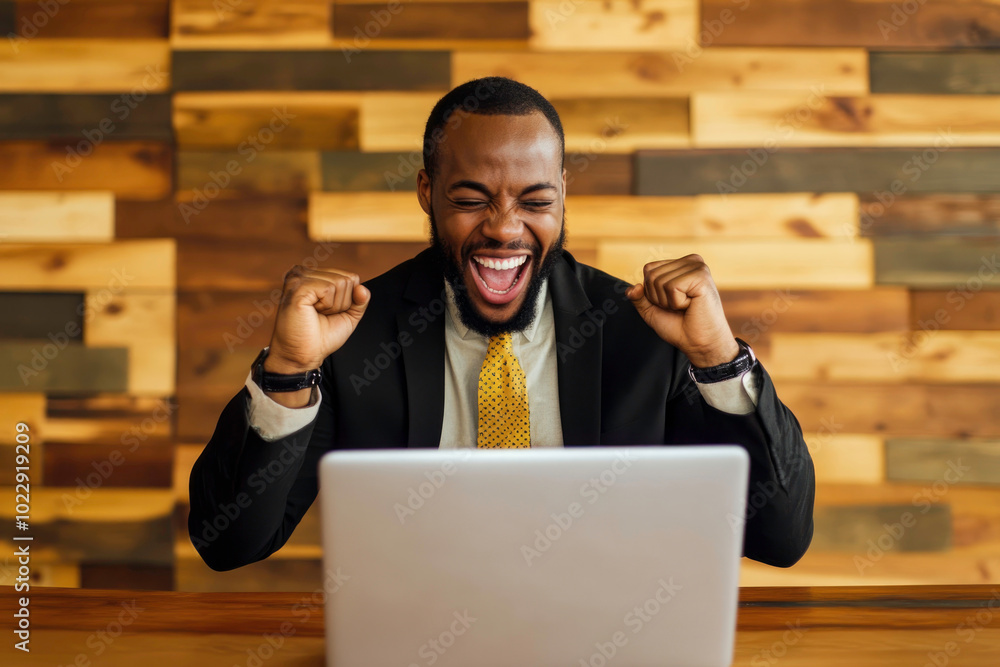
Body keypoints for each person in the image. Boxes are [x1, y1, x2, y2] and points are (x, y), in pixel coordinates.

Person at [188, 77, 814, 572]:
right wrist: (289, 372)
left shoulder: (648, 334)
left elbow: (780, 537)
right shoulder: (355, 337)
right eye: (470, 200)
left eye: (535, 201)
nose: (505, 228)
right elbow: (231, 542)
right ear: (427, 192)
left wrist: (718, 359)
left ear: (564, 194)